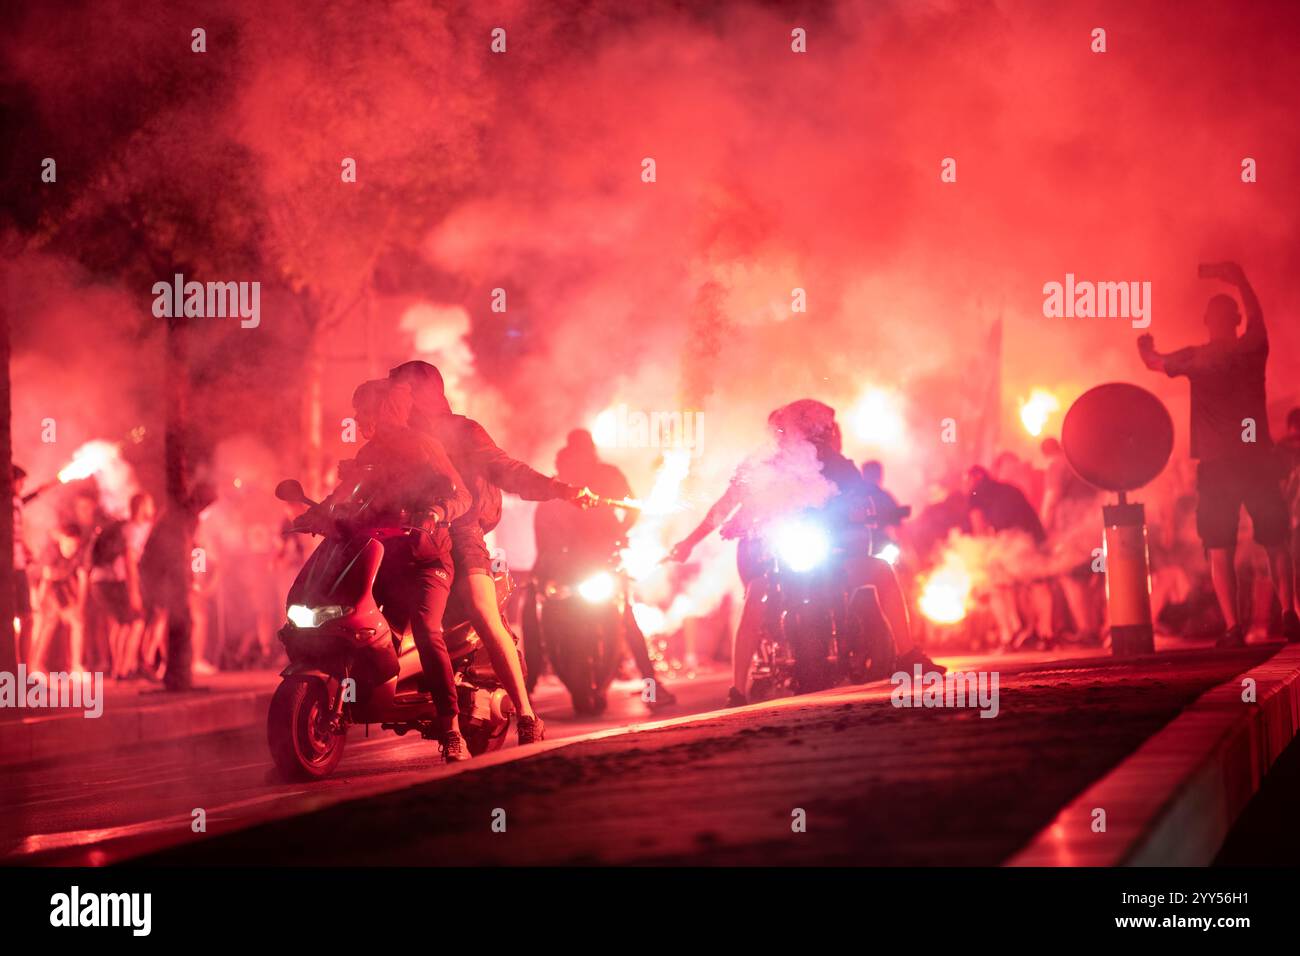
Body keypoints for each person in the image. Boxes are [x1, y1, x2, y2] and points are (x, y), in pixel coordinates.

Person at [670, 399, 941, 706]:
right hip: (777, 560)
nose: (797, 433)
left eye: (814, 427)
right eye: (786, 428)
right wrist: (691, 541)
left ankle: (908, 657)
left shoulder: (836, 464)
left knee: (882, 569)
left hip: (831, 558)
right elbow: (724, 507)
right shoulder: (758, 467)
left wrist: (864, 508)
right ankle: (737, 688)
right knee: (755, 597)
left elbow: (864, 499)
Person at [390, 361, 596, 745]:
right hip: (411, 535)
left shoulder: (464, 431)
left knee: (483, 611)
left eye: (404, 389)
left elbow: (507, 469)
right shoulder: (398, 438)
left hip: (461, 532)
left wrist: (561, 489)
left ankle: (527, 713)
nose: (398, 397)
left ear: (426, 392)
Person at [1138, 261, 1299, 645]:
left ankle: (1232, 628)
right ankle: (1290, 613)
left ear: (1208, 321)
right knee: (1276, 541)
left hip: (1218, 467)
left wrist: (1144, 345)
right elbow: (1257, 315)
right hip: (1256, 459)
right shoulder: (1252, 347)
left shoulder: (1197, 357)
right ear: (1237, 319)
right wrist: (1241, 278)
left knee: (1220, 548)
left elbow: (1153, 363)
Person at [337, 379, 473, 760]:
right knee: (354, 623)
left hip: (427, 560)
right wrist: (316, 513)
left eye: (366, 408)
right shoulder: (368, 453)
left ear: (387, 408)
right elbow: (343, 498)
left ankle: (451, 726)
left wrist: (436, 512)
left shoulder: (424, 446)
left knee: (428, 630)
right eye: (358, 409)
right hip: (383, 561)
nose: (360, 417)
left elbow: (461, 494)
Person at [534, 429, 676, 706]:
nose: (583, 456)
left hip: (605, 559)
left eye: (586, 450)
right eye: (578, 451)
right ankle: (526, 688)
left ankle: (653, 686)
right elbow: (544, 523)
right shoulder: (561, 480)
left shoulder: (608, 474)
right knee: (540, 612)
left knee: (628, 620)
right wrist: (547, 562)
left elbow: (633, 507)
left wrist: (620, 532)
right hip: (569, 564)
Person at [964, 464, 1054, 649]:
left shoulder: (975, 494)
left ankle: (1009, 634)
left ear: (973, 479)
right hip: (1026, 539)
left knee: (996, 587)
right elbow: (1031, 515)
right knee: (1037, 585)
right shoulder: (1010, 488)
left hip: (1005, 542)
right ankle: (1046, 632)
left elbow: (978, 526)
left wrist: (982, 553)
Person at [139, 482, 218, 691]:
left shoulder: (177, 511)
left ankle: (155, 663)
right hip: (163, 572)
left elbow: (192, 547)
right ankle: (151, 662)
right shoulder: (189, 516)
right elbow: (189, 549)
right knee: (166, 617)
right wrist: (193, 577)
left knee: (161, 617)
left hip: (156, 569)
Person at [1039, 437, 1102, 645]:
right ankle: (1098, 628)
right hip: (1094, 526)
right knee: (1093, 578)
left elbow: (1051, 499)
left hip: (1072, 531)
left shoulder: (1057, 466)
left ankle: (1086, 630)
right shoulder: (1084, 463)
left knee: (1070, 576)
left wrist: (1043, 530)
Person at [12, 466, 34, 664]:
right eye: (19, 481)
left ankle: (24, 671)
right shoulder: (6, 504)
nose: (22, 486)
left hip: (19, 567)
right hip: (10, 569)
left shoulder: (16, 502)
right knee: (20, 618)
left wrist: (25, 549)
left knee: (27, 618)